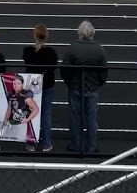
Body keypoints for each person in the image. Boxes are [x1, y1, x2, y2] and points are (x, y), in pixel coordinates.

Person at [62, 20, 108, 155]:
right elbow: (104, 70)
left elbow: (65, 69)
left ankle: (76, 144)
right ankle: (92, 145)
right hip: (92, 87)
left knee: (75, 116)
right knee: (92, 118)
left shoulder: (72, 48)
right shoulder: (99, 49)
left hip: (75, 87)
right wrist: (99, 82)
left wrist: (69, 82)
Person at [22, 24, 59, 152]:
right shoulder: (51, 53)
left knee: (31, 113)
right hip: (47, 85)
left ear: (35, 36)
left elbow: (27, 60)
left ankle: (31, 142)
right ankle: (46, 142)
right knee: (46, 113)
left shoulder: (28, 52)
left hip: (32, 87)